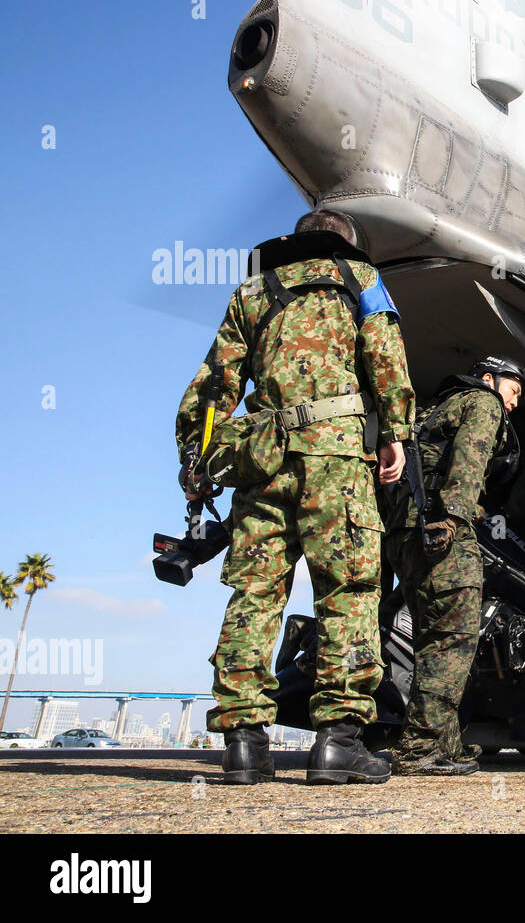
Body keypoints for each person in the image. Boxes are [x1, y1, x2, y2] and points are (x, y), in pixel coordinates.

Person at [175, 209, 414, 785]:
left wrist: (194, 457)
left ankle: (243, 745)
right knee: (349, 592)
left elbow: (214, 386)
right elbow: (386, 357)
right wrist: (398, 433)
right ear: (346, 243)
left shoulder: (253, 291)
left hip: (262, 461)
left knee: (253, 594)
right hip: (335, 458)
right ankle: (338, 742)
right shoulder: (362, 281)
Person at [382, 355, 525, 776]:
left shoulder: (429, 411)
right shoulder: (483, 403)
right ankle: (418, 749)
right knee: (455, 638)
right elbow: (470, 458)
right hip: (440, 529)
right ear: (490, 379)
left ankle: (445, 744)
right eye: (514, 391)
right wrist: (455, 516)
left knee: (431, 639)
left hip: (402, 533)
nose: (514, 403)